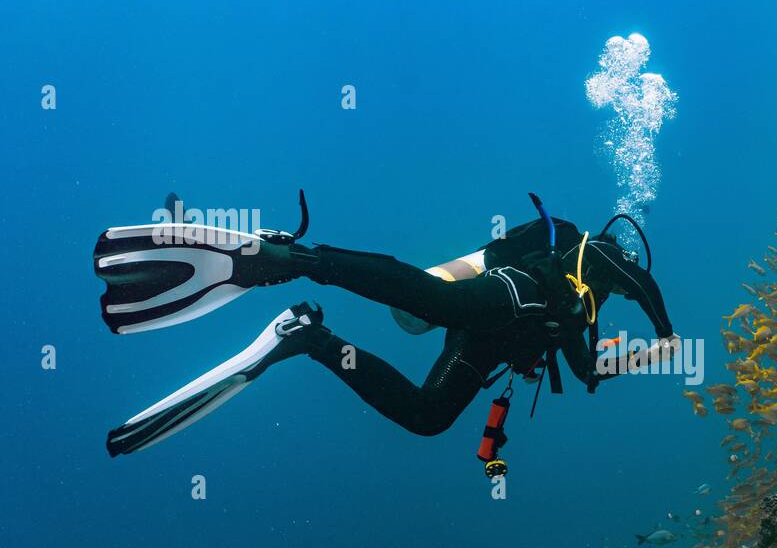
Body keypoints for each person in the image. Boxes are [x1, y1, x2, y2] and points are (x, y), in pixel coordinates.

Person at [95, 192, 677, 457]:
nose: (622, 283)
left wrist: (639, 360)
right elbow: (643, 284)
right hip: (510, 293)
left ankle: (308, 338)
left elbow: (588, 374)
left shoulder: (580, 319)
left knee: (427, 419)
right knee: (440, 304)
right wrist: (668, 333)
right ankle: (296, 260)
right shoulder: (592, 255)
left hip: (489, 343)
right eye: (625, 271)